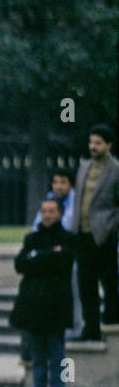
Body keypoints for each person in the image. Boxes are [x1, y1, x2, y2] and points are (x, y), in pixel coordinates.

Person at [10, 198, 75, 387]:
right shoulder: (32, 238)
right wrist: (48, 256)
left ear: (60, 214)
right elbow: (20, 264)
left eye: (52, 211)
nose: (47, 215)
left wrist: (37, 258)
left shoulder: (67, 238)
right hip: (34, 303)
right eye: (44, 211)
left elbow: (63, 263)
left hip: (56, 302)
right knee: (37, 350)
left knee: (58, 351)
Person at [74, 124, 119, 341]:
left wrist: (111, 225)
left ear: (108, 145)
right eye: (91, 142)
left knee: (109, 281)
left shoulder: (116, 169)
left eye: (98, 143)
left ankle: (111, 323)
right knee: (85, 282)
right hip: (82, 234)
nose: (93, 146)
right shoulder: (84, 167)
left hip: (105, 234)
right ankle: (90, 327)